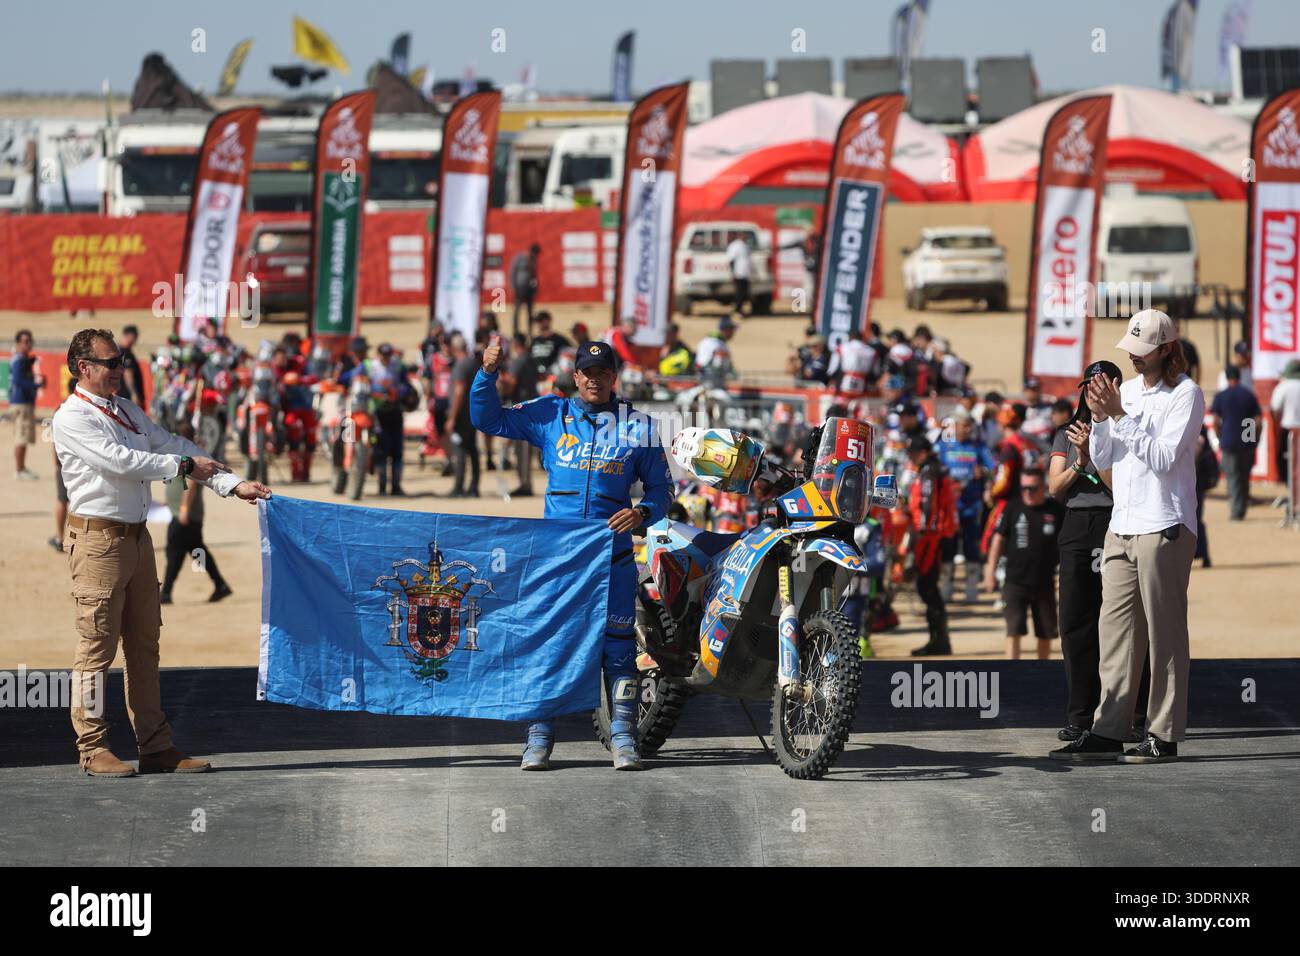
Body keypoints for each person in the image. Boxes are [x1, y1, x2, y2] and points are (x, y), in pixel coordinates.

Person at [52, 328, 271, 777]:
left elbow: (171, 444)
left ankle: (155, 746)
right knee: (96, 647)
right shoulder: (71, 417)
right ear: (83, 368)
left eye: (121, 362)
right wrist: (183, 466)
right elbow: (120, 461)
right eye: (111, 363)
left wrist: (231, 484)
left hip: (134, 538)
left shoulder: (125, 411)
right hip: (98, 542)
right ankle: (92, 748)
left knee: (144, 646)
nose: (119, 370)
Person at [471, 337, 672, 771]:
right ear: (575, 376)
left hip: (611, 558)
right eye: (587, 373)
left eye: (603, 374)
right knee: (549, 644)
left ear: (613, 378)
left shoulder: (639, 426)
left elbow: (662, 491)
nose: (594, 380)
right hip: (557, 561)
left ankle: (623, 737)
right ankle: (539, 737)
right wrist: (487, 373)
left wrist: (641, 514)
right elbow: (486, 418)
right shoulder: (551, 413)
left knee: (618, 650)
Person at [1052, 309, 1204, 764]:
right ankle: (1108, 728)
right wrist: (1099, 421)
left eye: (1142, 351)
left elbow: (1162, 457)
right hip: (1123, 524)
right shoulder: (1129, 391)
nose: (1133, 358)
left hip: (1165, 524)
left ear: (1164, 349)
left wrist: (1118, 414)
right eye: (1130, 349)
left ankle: (1163, 733)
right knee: (1114, 632)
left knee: (1165, 635)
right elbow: (1104, 460)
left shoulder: (1186, 395)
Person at [1048, 360, 1149, 741]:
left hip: (1117, 520)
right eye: (1088, 387)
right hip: (1077, 527)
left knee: (1125, 622)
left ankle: (1134, 713)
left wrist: (1096, 454)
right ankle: (1080, 716)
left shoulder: (1127, 430)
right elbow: (1055, 489)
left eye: (1100, 386)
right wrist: (1079, 461)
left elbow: (1121, 485)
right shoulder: (1067, 433)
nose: (1092, 393)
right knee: (1076, 622)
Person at [983, 466, 1062, 659]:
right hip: (1014, 582)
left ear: (1043, 487)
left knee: (1046, 633)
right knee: (1013, 632)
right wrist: (989, 571)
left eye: (1032, 488)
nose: (1027, 492)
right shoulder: (1012, 507)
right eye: (1024, 488)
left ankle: (1041, 674)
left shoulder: (1056, 509)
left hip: (1044, 582)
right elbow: (998, 540)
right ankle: (1013, 673)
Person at [160, 423, 233, 604]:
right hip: (185, 512)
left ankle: (166, 593)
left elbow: (192, 483)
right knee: (196, 550)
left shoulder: (191, 455)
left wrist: (184, 508)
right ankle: (220, 585)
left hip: (186, 514)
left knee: (175, 552)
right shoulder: (181, 453)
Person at [902, 434, 958, 656]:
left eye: (913, 454)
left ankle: (939, 641)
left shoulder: (928, 472)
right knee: (928, 588)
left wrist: (922, 535)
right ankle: (938, 639)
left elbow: (928, 506)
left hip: (931, 537)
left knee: (927, 587)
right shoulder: (934, 469)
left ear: (922, 453)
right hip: (936, 535)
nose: (911, 458)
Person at [936, 409, 995, 603]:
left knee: (971, 544)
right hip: (949, 506)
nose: (967, 429)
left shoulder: (978, 446)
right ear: (955, 426)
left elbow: (993, 468)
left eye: (970, 426)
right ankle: (946, 586)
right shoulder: (945, 446)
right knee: (948, 545)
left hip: (972, 504)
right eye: (963, 425)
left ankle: (972, 588)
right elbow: (934, 468)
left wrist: (983, 471)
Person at [1210, 364, 1262, 521]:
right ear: (1239, 377)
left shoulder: (1221, 395)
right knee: (1244, 476)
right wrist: (1254, 438)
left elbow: (1215, 420)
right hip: (1246, 440)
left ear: (1227, 377)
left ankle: (1236, 510)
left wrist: (1220, 436)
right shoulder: (1248, 395)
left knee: (1232, 476)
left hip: (1229, 440)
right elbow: (1258, 420)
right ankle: (1242, 508)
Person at [504, 332, 539, 496]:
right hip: (532, 406)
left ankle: (525, 484)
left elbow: (511, 383)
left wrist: (503, 393)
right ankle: (525, 482)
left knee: (523, 449)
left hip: (522, 408)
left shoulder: (518, 361)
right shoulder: (531, 360)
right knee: (525, 448)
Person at [445, 331, 480, 498]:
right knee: (472, 449)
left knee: (459, 449)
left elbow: (459, 391)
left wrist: (452, 417)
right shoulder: (474, 363)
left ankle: (459, 486)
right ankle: (473, 486)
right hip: (472, 413)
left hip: (461, 415)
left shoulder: (460, 365)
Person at [10, 329, 44, 480]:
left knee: (23, 437)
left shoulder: (22, 358)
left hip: (23, 402)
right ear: (18, 343)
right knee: (21, 437)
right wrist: (36, 385)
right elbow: (18, 381)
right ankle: (19, 469)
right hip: (21, 403)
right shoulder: (19, 359)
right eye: (25, 341)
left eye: (30, 341)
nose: (29, 344)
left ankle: (21, 468)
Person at [1193, 425, 1219, 568]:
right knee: (1197, 521)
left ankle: (1203, 556)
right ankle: (1205, 556)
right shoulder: (1201, 427)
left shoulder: (1199, 431)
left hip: (1193, 484)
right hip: (1197, 484)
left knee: (1193, 522)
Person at [1271, 360, 1300, 487]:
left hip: (1288, 430)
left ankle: (1292, 495)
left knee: (1286, 464)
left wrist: (1277, 428)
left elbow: (1275, 409)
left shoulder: (1283, 386)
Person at [695, 315, 738, 387]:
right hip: (708, 387)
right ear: (726, 330)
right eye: (732, 330)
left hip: (716, 385)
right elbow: (702, 365)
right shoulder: (711, 342)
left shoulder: (720, 343)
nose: (733, 333)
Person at [510, 243, 540, 334]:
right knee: (517, 310)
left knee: (530, 311)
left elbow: (534, 274)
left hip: (529, 289)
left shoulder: (533, 259)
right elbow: (512, 272)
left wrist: (535, 287)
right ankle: (515, 331)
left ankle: (530, 331)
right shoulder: (519, 257)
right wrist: (513, 286)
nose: (535, 256)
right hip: (519, 288)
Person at [529, 311, 570, 376]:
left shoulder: (559, 340)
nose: (538, 324)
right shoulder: (534, 341)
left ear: (548, 321)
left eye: (540, 321)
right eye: (537, 321)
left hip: (553, 376)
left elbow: (568, 357)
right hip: (536, 377)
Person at [114, 324, 147, 408]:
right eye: (135, 337)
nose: (136, 340)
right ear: (130, 336)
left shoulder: (118, 351)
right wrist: (134, 394)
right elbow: (128, 374)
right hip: (127, 396)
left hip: (122, 394)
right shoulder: (126, 353)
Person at [726, 231, 752, 315]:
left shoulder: (746, 245)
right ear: (740, 236)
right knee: (739, 293)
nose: (746, 237)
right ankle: (737, 310)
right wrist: (733, 272)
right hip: (738, 273)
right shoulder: (735, 245)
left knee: (744, 293)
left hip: (745, 273)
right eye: (744, 235)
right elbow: (731, 260)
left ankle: (740, 309)